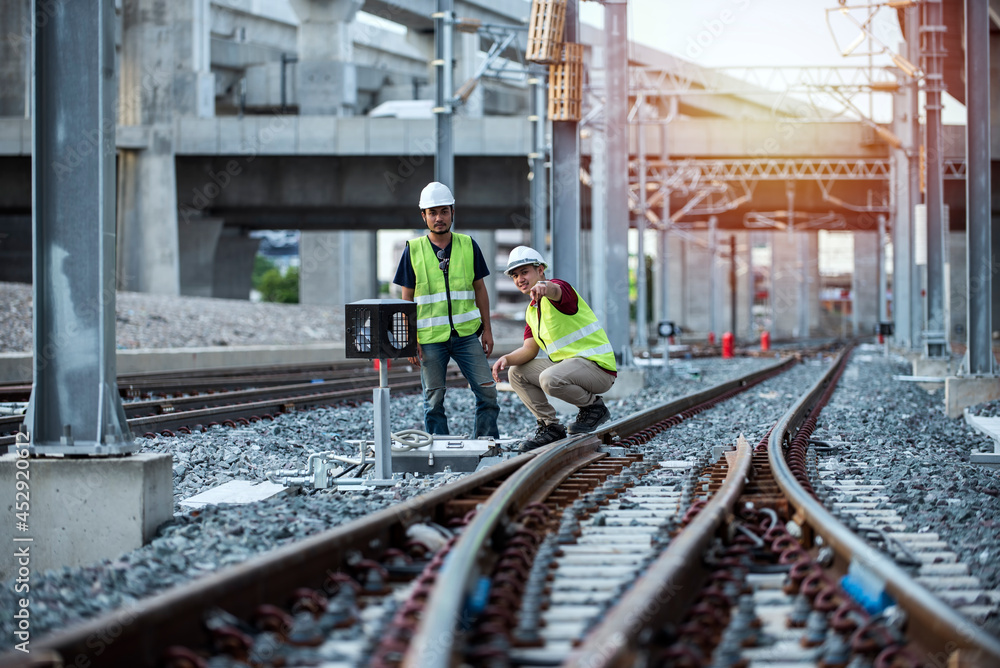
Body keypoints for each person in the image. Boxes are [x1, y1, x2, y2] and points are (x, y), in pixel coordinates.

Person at [393, 181, 500, 439]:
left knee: (487, 391)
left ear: (452, 212)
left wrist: (487, 330)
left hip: (466, 336)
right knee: (433, 400)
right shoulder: (413, 250)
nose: (438, 218)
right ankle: (438, 446)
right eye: (432, 212)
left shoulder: (468, 245)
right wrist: (410, 339)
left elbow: (480, 290)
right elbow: (406, 299)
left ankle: (486, 442)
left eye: (443, 211)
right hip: (430, 340)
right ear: (424, 216)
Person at [491, 246, 616, 452]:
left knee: (549, 378)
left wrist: (545, 287)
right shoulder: (532, 310)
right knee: (517, 373)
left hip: (598, 369)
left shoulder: (559, 290)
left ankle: (594, 407)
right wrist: (507, 359)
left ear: (540, 270)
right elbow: (529, 350)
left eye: (524, 272)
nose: (519, 279)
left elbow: (556, 290)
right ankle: (550, 427)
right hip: (569, 368)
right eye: (515, 275)